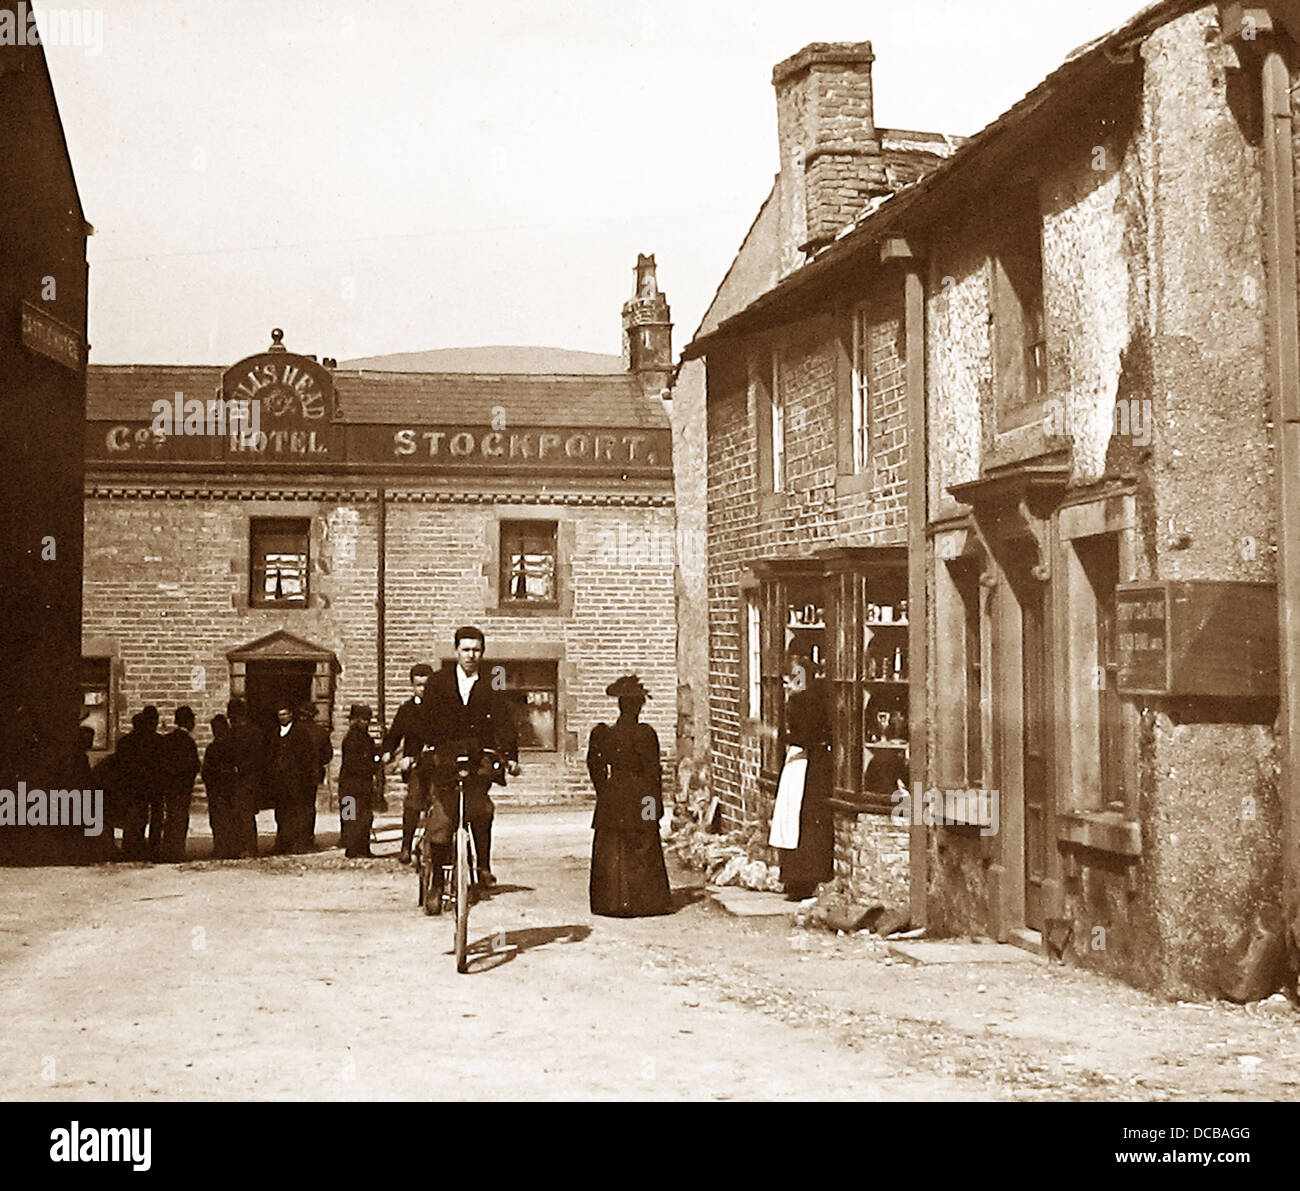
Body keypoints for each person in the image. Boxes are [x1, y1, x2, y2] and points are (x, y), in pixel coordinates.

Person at [585, 674, 672, 917]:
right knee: (642, 842)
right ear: (638, 707)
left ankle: (611, 901)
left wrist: (605, 791)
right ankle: (644, 902)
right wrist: (655, 805)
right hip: (641, 793)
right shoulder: (646, 734)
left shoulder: (603, 733)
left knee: (613, 846)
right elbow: (653, 772)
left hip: (614, 795)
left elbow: (594, 766)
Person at [769, 650, 834, 900]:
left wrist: (772, 734)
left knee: (801, 818)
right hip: (799, 762)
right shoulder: (801, 699)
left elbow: (804, 737)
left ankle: (802, 878)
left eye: (794, 676)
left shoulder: (806, 701)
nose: (788, 682)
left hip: (808, 764)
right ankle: (795, 877)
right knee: (793, 818)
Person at [381, 663, 438, 866]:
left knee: (442, 805)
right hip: (417, 766)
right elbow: (395, 734)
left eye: (426, 685)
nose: (422, 689)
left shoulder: (444, 707)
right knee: (413, 802)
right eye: (418, 685)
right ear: (412, 686)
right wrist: (387, 752)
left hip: (440, 763)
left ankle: (442, 848)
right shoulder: (407, 710)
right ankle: (405, 846)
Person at [267, 703, 316, 854]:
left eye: (285, 714)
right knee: (281, 812)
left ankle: (298, 843)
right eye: (280, 715)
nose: (282, 717)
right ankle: (282, 842)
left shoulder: (300, 733)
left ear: (291, 715)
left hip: (296, 780)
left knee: (297, 812)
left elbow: (306, 757)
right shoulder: (274, 733)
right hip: (280, 781)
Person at [155, 705, 200, 862]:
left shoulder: (168, 739)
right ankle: (176, 851)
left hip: (169, 786)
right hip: (182, 787)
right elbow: (194, 765)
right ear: (187, 721)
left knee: (170, 817)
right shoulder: (187, 741)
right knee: (180, 818)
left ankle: (168, 849)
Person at [116, 707, 161, 861]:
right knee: (154, 815)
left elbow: (120, 765)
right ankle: (153, 845)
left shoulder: (125, 742)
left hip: (133, 784)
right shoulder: (156, 740)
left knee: (135, 815)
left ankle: (132, 845)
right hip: (152, 783)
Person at [339, 704, 380, 858]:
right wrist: (374, 766)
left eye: (367, 720)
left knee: (356, 817)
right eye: (363, 720)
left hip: (352, 785)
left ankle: (357, 847)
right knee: (355, 817)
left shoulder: (360, 738)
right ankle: (355, 848)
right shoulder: (355, 739)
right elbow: (356, 764)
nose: (366, 723)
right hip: (355, 785)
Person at [226, 698, 263, 858]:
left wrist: (237, 768)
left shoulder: (238, 733)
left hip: (243, 780)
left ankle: (246, 847)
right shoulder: (253, 732)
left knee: (242, 815)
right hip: (247, 780)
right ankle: (246, 847)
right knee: (244, 815)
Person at [298, 702, 333, 850]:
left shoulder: (295, 731)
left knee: (292, 807)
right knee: (308, 806)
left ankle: (292, 838)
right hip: (313, 774)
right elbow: (328, 755)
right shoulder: (320, 732)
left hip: (295, 774)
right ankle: (307, 838)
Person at [202, 714, 238, 858]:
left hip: (220, 789)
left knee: (220, 819)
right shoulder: (231, 746)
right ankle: (228, 847)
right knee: (227, 818)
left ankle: (222, 847)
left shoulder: (214, 748)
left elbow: (207, 771)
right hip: (225, 789)